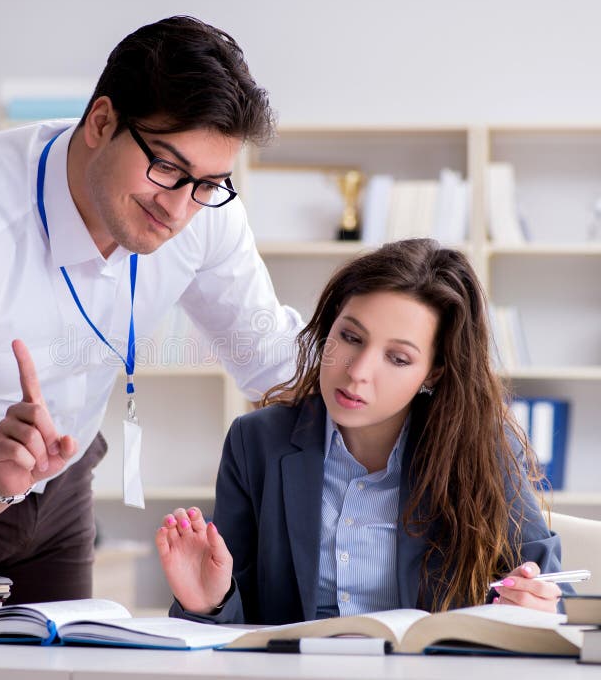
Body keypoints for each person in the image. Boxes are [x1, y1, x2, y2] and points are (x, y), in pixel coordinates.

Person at [0, 16, 302, 605]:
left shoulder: (205, 207)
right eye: (167, 168)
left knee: (65, 665)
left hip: (59, 483)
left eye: (208, 182)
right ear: (101, 122)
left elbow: (276, 363)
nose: (179, 208)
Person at [156, 238, 565, 625]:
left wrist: (535, 602)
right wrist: (210, 602)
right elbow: (235, 630)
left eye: (398, 358)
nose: (357, 372)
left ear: (434, 372)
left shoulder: (480, 445)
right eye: (350, 337)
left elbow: (551, 591)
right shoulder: (257, 442)